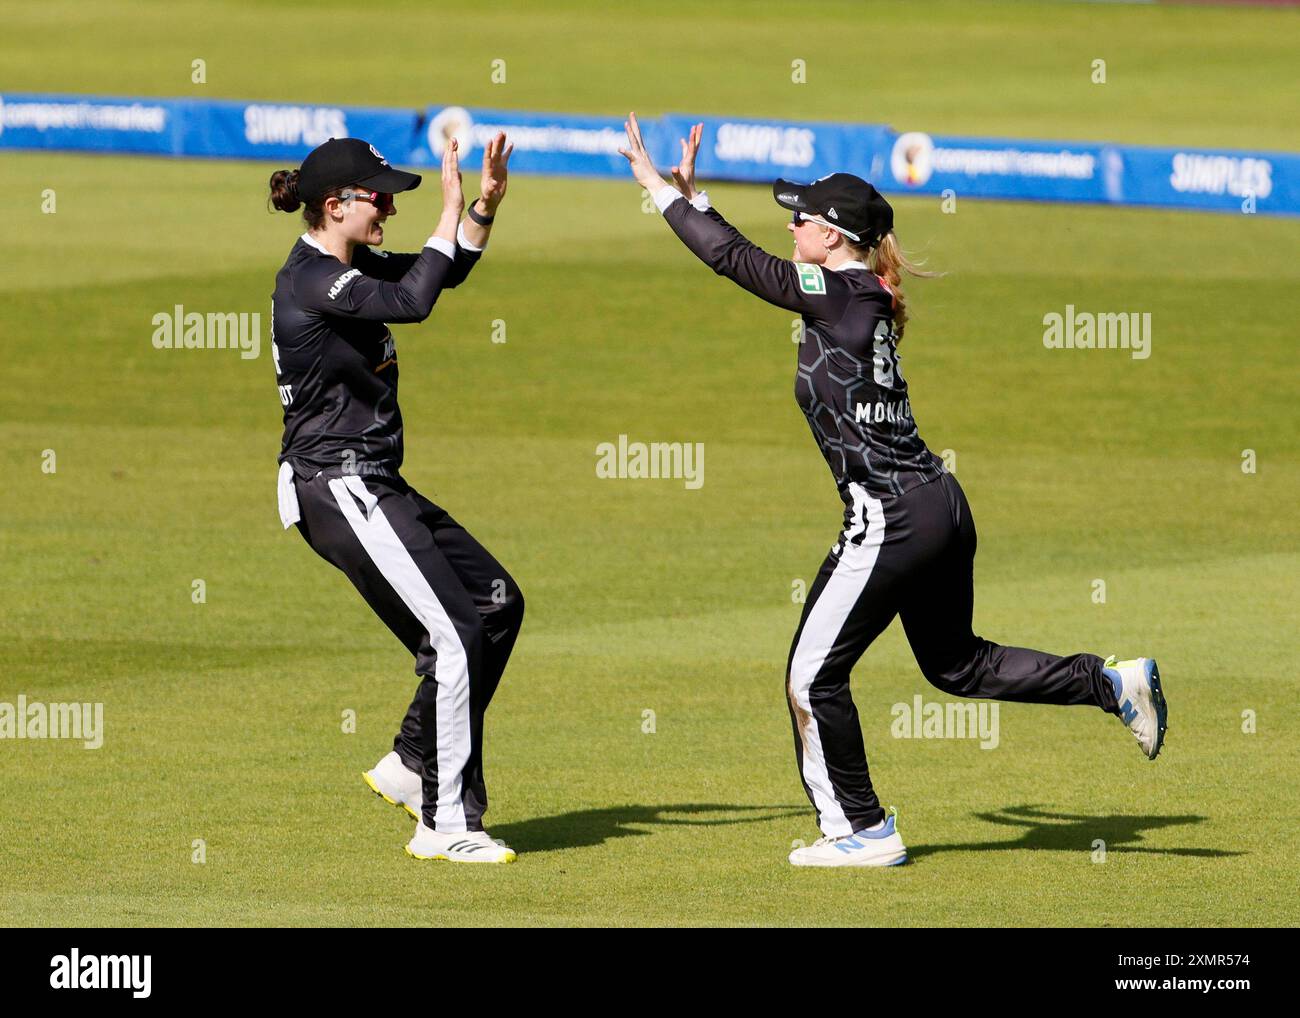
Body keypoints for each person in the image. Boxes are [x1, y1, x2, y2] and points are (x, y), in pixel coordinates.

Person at [618, 114, 1168, 868]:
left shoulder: (836, 294)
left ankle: (862, 830)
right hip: (938, 503)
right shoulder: (856, 293)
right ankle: (1109, 683)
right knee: (957, 666)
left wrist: (659, 190)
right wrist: (697, 198)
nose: (791, 226)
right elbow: (746, 257)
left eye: (800, 217)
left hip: (893, 517)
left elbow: (734, 262)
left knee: (811, 678)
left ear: (833, 236)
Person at [267, 132, 524, 864]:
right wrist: (447, 209)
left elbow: (444, 274)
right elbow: (414, 302)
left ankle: (413, 763)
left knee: (496, 603)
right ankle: (445, 824)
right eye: (378, 196)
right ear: (334, 205)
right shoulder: (313, 280)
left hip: (374, 481)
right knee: (453, 636)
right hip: (337, 486)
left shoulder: (346, 263)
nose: (388, 206)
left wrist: (479, 208)